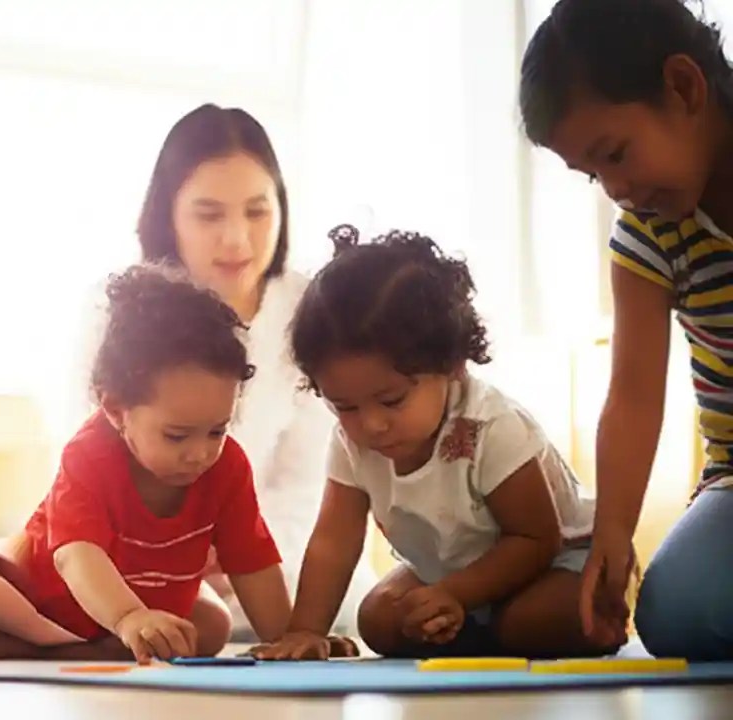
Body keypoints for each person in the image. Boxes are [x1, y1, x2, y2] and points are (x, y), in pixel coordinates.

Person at [68, 104, 374, 638]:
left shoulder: (311, 312)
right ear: (169, 215)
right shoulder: (117, 311)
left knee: (330, 604)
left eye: (258, 212)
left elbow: (313, 488)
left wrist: (226, 550)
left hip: (270, 559)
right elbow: (84, 463)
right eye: (209, 215)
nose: (237, 240)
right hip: (132, 557)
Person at [0, 264, 324, 663]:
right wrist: (127, 615)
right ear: (116, 409)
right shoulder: (89, 454)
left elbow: (252, 562)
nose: (200, 453)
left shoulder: (228, 467)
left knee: (214, 627)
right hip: (51, 602)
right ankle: (62, 642)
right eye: (177, 435)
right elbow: (76, 555)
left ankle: (72, 650)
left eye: (217, 431)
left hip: (148, 609)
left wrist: (287, 636)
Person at [253, 226, 610, 660]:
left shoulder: (490, 427)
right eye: (344, 406)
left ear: (452, 365)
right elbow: (334, 541)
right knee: (379, 622)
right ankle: (469, 629)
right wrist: (305, 630)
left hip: (551, 567)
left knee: (530, 623)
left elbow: (536, 539)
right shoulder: (352, 444)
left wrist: (454, 593)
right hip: (449, 577)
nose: (372, 425)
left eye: (392, 400)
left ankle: (584, 618)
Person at [520, 0, 733, 659]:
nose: (617, 188)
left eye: (615, 153)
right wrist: (614, 530)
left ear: (683, 87)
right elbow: (635, 395)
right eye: (594, 174)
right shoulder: (650, 235)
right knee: (675, 611)